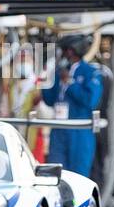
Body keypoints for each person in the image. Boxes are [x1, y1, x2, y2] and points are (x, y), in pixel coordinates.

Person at [42, 34, 102, 178]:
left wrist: (70, 83)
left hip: (79, 129)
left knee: (78, 176)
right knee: (56, 175)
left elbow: (90, 100)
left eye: (63, 50)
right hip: (59, 129)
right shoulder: (58, 72)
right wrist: (48, 78)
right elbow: (49, 100)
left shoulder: (90, 72)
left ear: (70, 51)